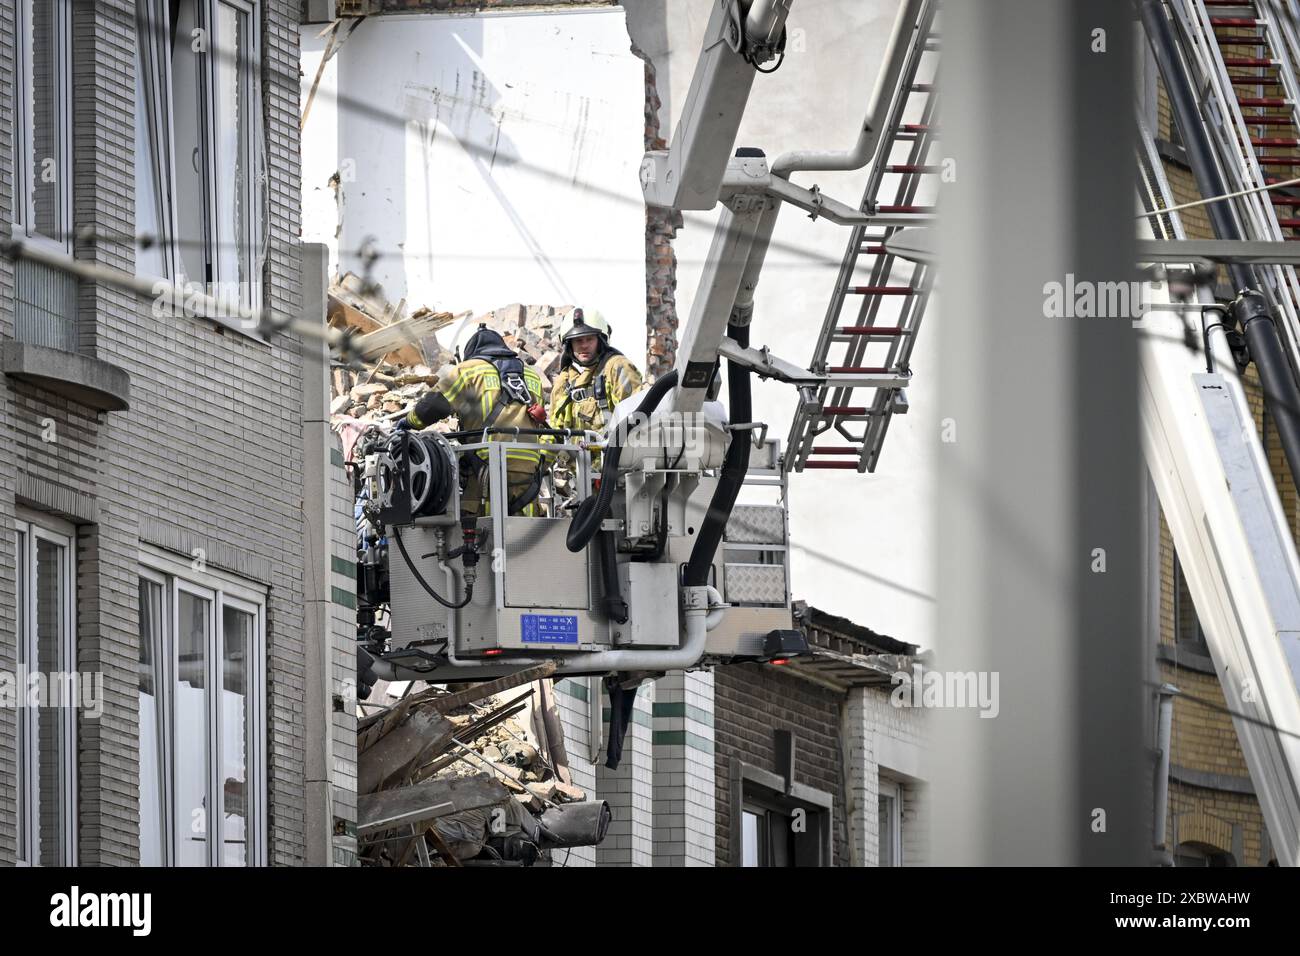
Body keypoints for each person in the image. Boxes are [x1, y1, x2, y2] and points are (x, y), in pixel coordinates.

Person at [399, 326, 547, 517]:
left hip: (485, 466)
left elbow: (435, 405)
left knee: (482, 532)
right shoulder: (532, 376)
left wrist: (409, 422)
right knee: (524, 529)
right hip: (528, 470)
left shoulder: (468, 370)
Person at [549, 308, 644, 473]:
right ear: (568, 344)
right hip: (574, 475)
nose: (584, 345)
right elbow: (554, 429)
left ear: (600, 340)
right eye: (578, 340)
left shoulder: (617, 367)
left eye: (589, 339)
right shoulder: (564, 380)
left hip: (613, 472)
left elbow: (638, 419)